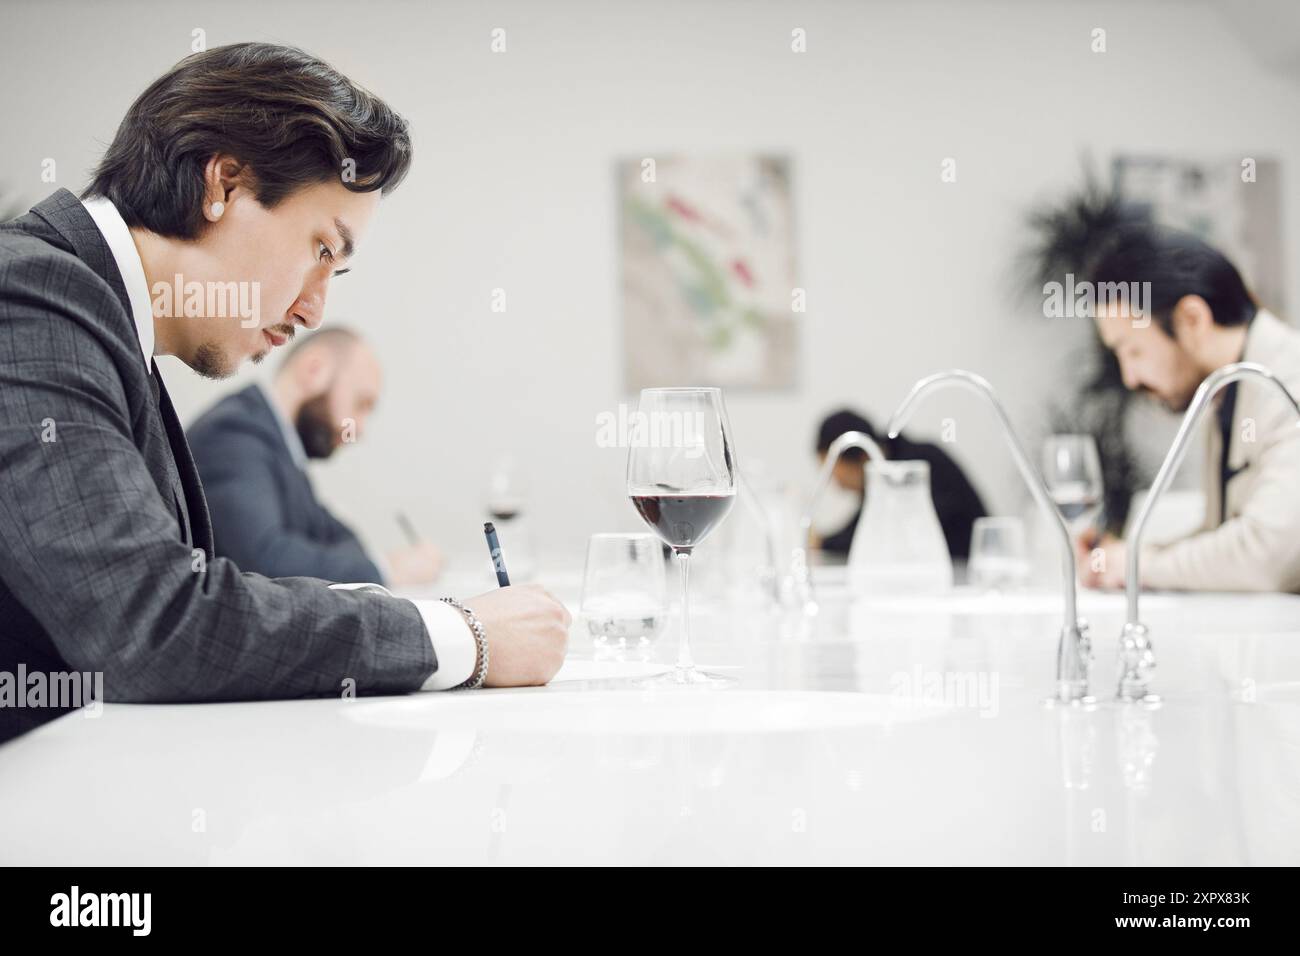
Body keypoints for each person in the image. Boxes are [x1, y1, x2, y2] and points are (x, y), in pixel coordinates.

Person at [0, 43, 568, 744]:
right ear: (225, 185)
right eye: (323, 250)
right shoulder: (31, 293)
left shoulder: (100, 316)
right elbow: (149, 628)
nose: (312, 313)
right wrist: (464, 635)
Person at [1077, 223, 1300, 592]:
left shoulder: (1286, 382)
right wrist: (1131, 555)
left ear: (1192, 320)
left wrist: (1137, 564)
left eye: (1132, 350)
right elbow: (1224, 535)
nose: (1130, 377)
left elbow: (1267, 557)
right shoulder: (1226, 391)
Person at [187, 328, 442, 586]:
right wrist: (385, 569)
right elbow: (263, 560)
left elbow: (340, 538)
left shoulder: (283, 447)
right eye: (361, 404)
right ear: (313, 370)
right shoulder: (234, 433)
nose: (360, 429)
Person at [813, 409, 988, 559]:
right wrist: (825, 541)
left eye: (836, 475)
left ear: (863, 457)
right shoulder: (888, 464)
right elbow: (861, 525)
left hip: (968, 571)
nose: (837, 485)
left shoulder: (915, 466)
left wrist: (824, 543)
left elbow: (887, 534)